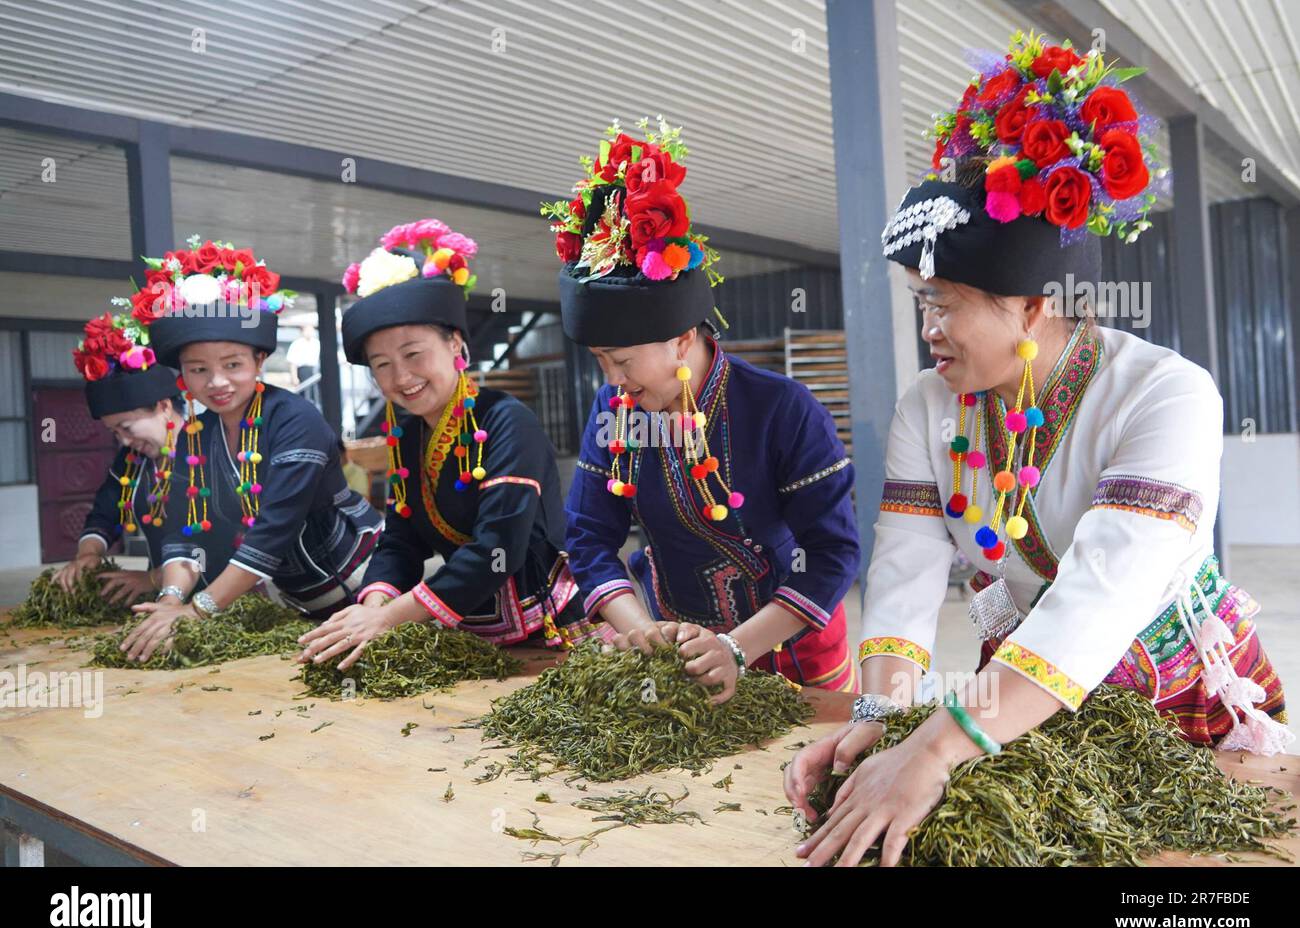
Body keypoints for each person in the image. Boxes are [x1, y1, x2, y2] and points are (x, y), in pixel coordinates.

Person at [785, 32, 1291, 867]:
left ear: (1030, 304)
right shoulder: (928, 408)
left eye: (944, 302)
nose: (928, 330)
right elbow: (906, 576)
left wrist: (936, 750)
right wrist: (876, 724)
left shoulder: (1165, 394)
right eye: (920, 303)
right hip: (1007, 685)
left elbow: (1099, 596)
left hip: (1166, 690)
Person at [548, 120, 862, 704]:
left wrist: (737, 648)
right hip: (676, 642)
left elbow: (832, 552)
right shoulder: (614, 410)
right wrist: (643, 633)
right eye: (598, 361)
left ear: (681, 337)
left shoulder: (781, 409)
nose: (611, 381)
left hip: (789, 647)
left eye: (622, 360)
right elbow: (591, 537)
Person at [297, 219, 602, 670]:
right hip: (468, 633)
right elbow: (401, 542)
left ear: (455, 344)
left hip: (551, 633)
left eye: (414, 354)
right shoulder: (406, 433)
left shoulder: (505, 420)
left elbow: (497, 552)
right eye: (382, 365)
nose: (401, 377)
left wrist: (389, 620)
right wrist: (375, 603)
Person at [117, 238, 384, 662]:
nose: (216, 382)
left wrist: (197, 611)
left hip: (366, 584)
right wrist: (170, 600)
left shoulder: (296, 421)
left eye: (233, 365)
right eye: (199, 369)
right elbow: (187, 532)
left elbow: (273, 529)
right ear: (182, 376)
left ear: (259, 362)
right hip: (298, 595)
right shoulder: (194, 436)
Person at [54, 309, 183, 603]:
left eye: (126, 427)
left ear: (163, 407)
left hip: (228, 602)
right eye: (114, 433)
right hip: (163, 604)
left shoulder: (211, 447)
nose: (124, 441)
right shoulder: (132, 460)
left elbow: (229, 544)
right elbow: (105, 513)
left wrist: (153, 578)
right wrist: (88, 554)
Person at [286, 324, 320, 404]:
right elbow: (292, 362)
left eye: (311, 330)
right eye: (307, 330)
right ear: (302, 331)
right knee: (304, 395)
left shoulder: (316, 343)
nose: (309, 332)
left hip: (316, 371)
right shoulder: (297, 344)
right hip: (303, 371)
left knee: (316, 395)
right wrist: (294, 377)